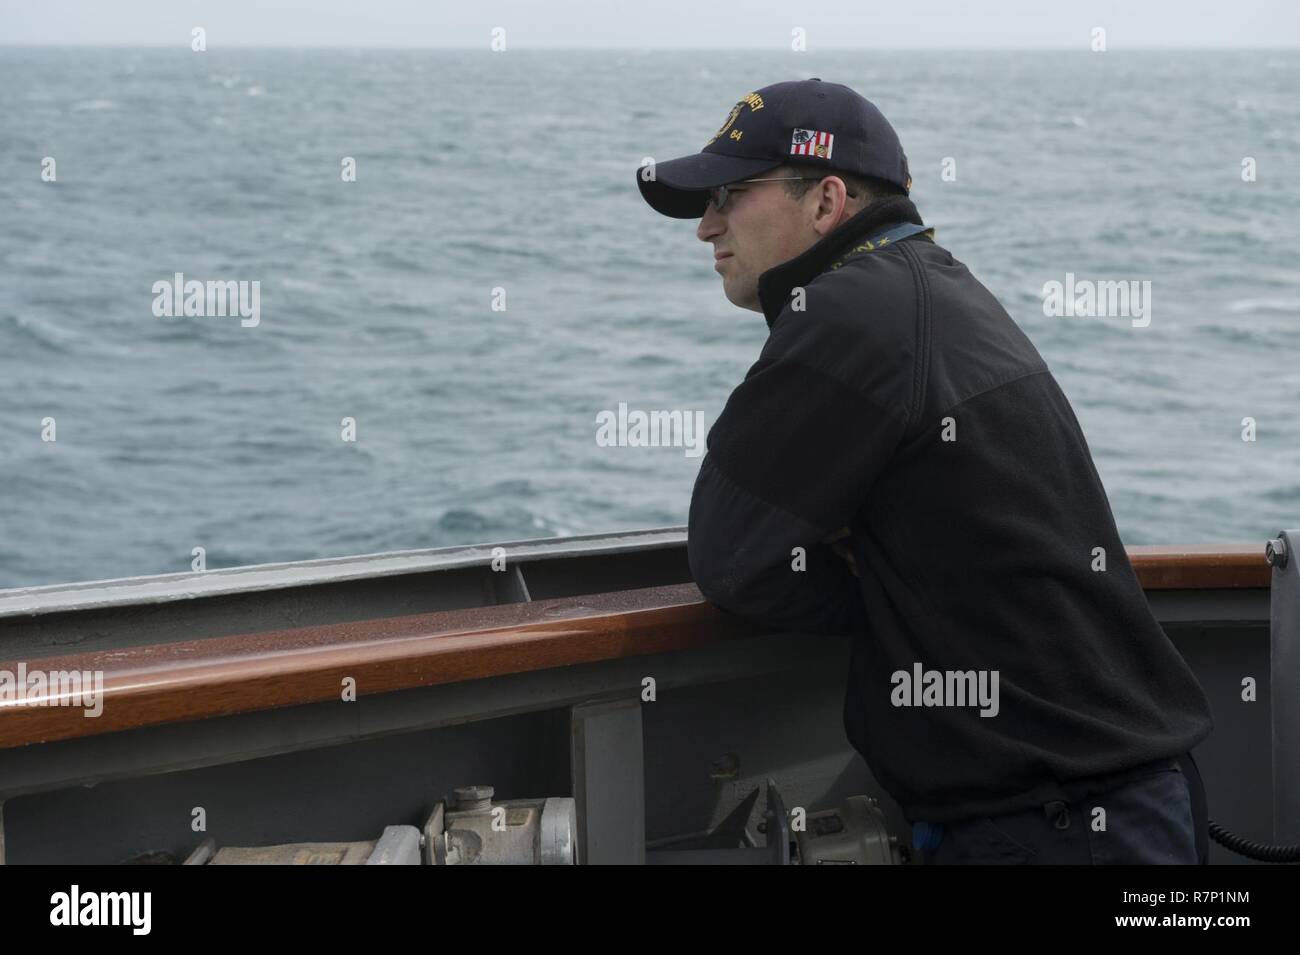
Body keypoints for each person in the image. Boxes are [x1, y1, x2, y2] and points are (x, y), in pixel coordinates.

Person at [635, 78, 1214, 864]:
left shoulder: (849, 314)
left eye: (730, 194)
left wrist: (871, 595)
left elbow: (732, 560)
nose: (706, 227)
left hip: (1050, 821)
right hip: (1116, 799)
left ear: (826, 200)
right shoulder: (934, 288)